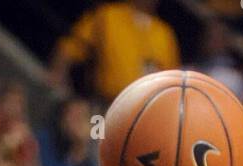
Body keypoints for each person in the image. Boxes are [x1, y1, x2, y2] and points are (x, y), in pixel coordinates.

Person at [50, 0, 181, 106]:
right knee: (97, 136)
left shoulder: (165, 33)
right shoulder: (107, 15)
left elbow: (171, 82)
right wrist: (58, 82)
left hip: (142, 112)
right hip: (102, 103)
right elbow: (69, 48)